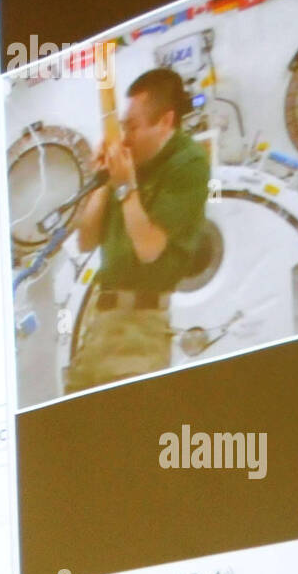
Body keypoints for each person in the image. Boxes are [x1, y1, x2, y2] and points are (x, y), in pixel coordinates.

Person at [66, 67, 210, 393]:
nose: (125, 137)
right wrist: (103, 182)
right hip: (100, 318)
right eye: (123, 126)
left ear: (165, 122)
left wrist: (126, 188)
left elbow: (149, 249)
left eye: (132, 126)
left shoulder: (189, 162)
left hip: (140, 327)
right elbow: (86, 241)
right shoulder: (129, 162)